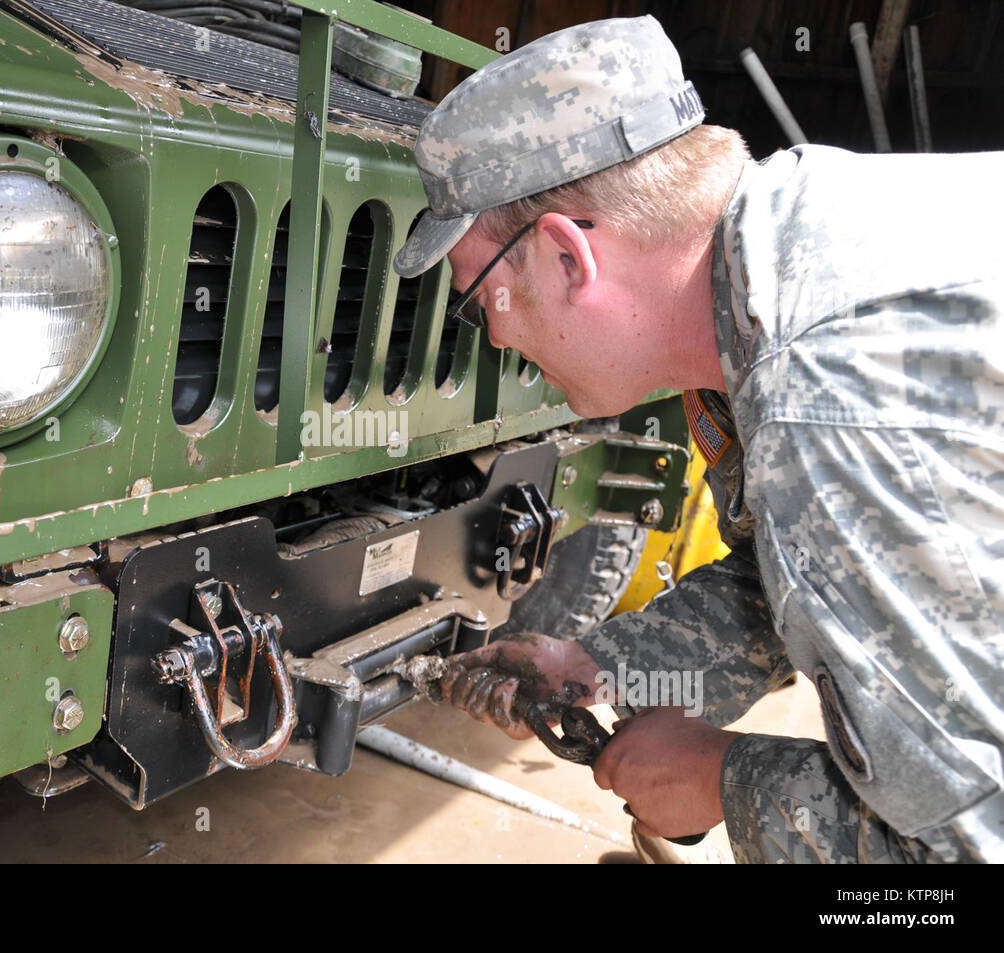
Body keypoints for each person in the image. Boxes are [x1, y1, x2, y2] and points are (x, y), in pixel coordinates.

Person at [392, 14, 1004, 863]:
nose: (492, 339)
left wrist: (724, 780)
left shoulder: (819, 398)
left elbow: (965, 852)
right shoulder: (788, 252)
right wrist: (601, 664)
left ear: (569, 258)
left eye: (480, 298)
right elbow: (794, 575)